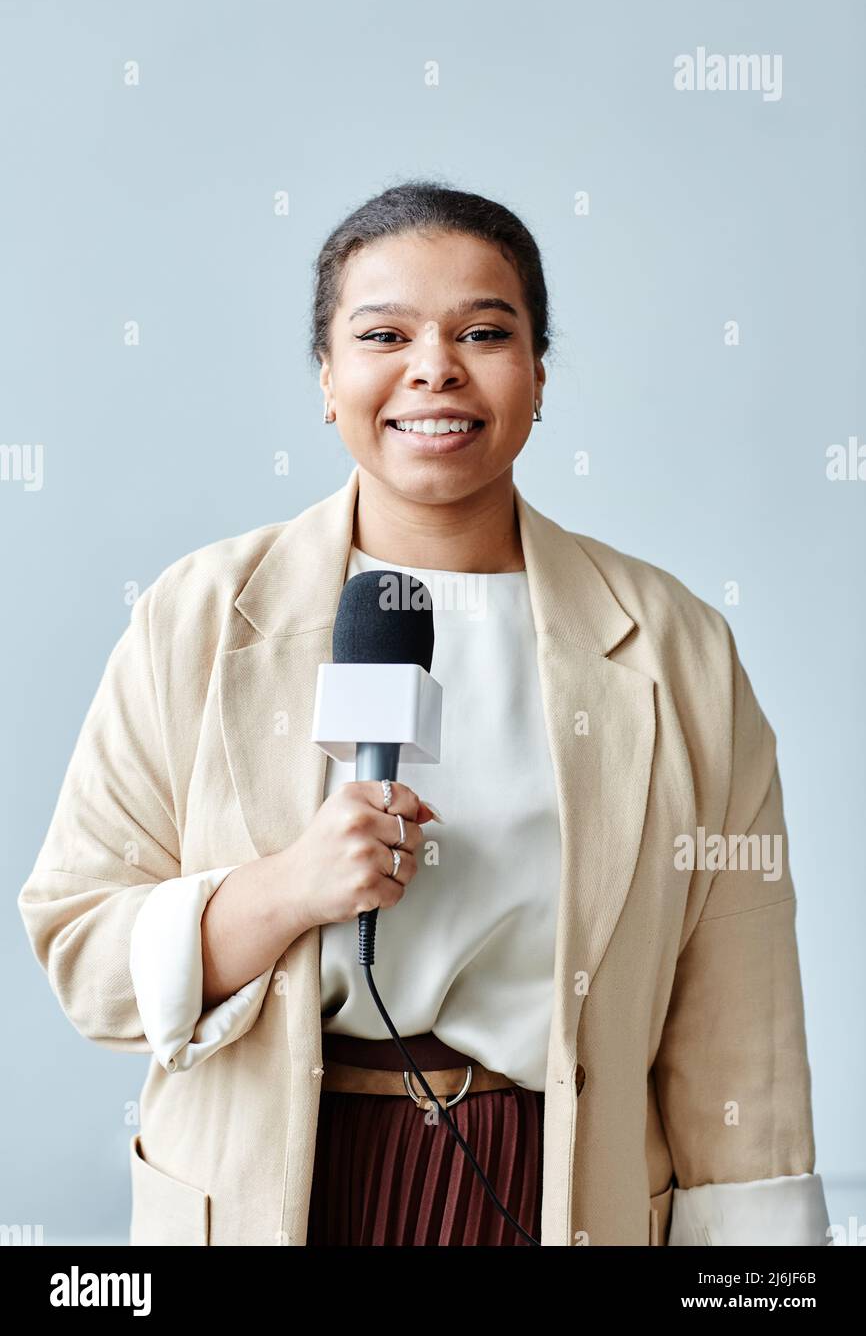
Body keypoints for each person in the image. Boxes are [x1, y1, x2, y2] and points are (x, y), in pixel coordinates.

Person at [18, 180, 830, 1246]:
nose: (433, 366)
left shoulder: (675, 649)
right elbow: (83, 945)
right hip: (276, 1192)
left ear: (538, 374)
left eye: (483, 331)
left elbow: (740, 1028)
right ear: (326, 378)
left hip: (553, 1191)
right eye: (382, 333)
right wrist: (282, 890)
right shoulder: (198, 618)